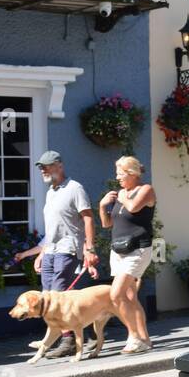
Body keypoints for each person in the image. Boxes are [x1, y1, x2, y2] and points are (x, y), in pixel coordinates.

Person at [14, 151, 99, 358]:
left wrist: (89, 248)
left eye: (47, 165)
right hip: (51, 250)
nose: (42, 169)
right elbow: (53, 229)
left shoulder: (75, 188)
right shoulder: (51, 191)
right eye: (41, 166)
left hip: (68, 248)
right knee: (47, 297)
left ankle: (68, 340)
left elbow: (88, 219)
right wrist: (41, 253)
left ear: (59, 166)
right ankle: (81, 335)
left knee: (58, 295)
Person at [99, 156, 156, 353]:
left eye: (120, 173)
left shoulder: (146, 190)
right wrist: (102, 205)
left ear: (132, 174)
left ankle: (134, 337)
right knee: (130, 296)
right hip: (118, 250)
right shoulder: (122, 193)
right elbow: (108, 224)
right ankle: (145, 340)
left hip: (138, 249)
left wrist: (123, 196)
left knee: (116, 294)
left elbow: (133, 207)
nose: (117, 178)